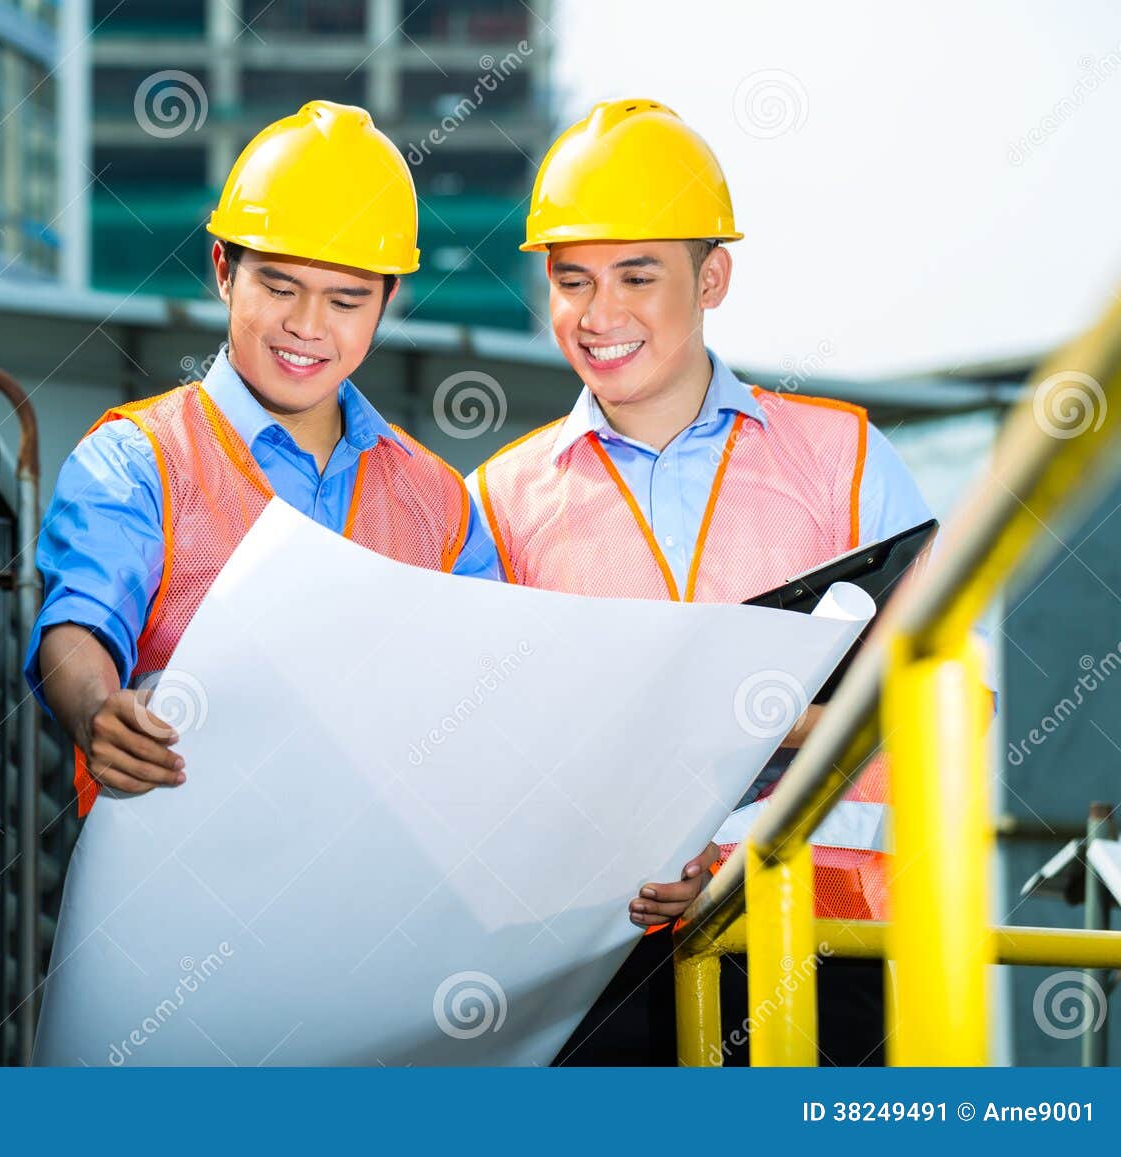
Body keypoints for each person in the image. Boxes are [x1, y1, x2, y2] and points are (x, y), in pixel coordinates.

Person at [469, 99, 935, 1065]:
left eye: (638, 276)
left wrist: (743, 734)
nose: (599, 316)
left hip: (823, 948)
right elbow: (489, 751)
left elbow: (941, 695)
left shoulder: (843, 460)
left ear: (711, 275)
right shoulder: (500, 502)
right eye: (571, 280)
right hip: (596, 972)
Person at [25, 100, 500, 818]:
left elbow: (493, 697)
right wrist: (96, 707)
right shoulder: (137, 461)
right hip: (169, 894)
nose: (307, 327)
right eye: (279, 287)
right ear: (224, 270)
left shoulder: (441, 505)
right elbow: (82, 621)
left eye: (346, 300)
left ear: (388, 300)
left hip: (383, 900)